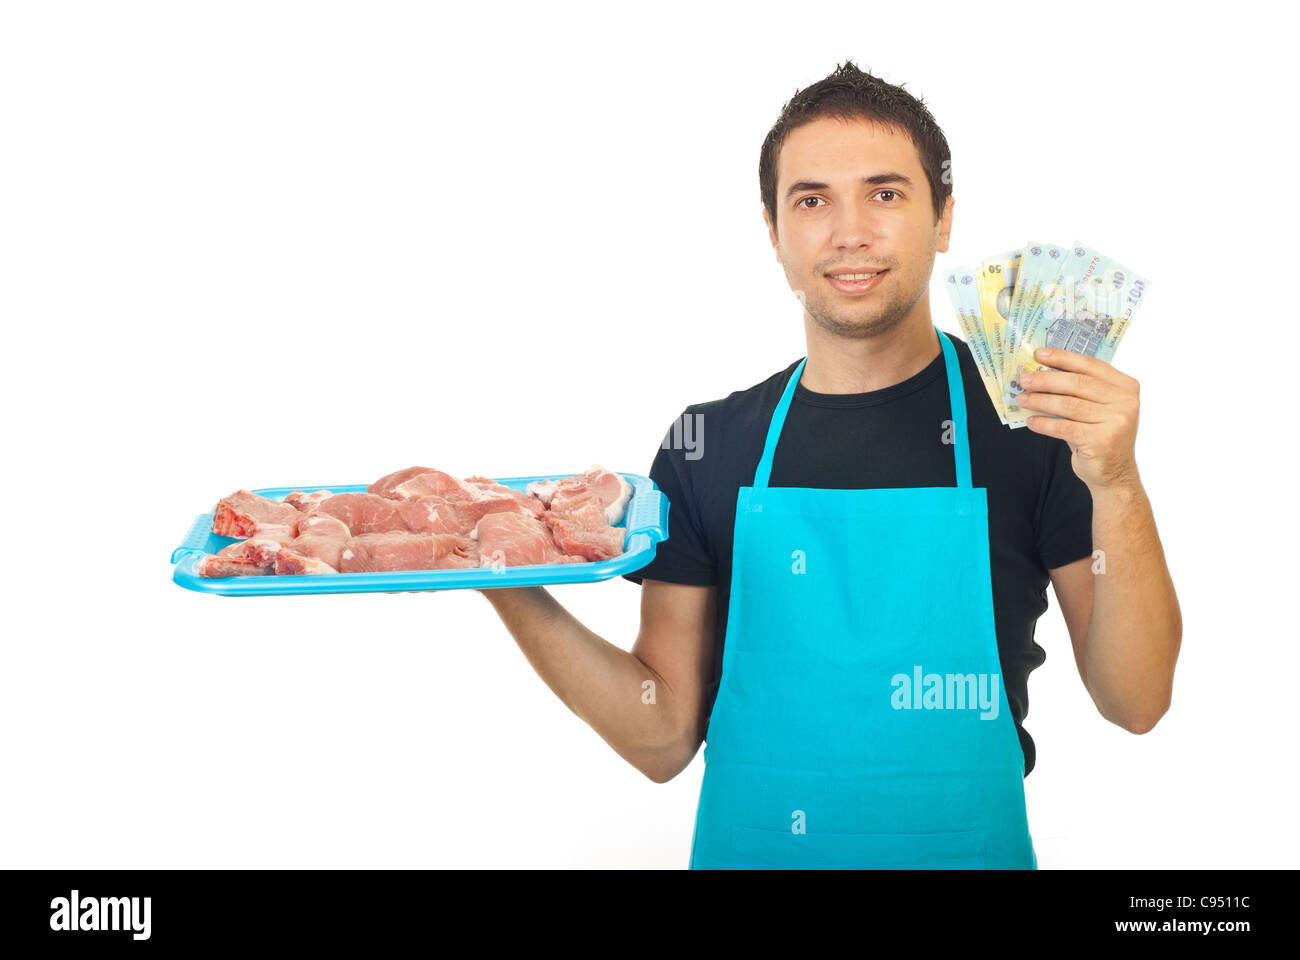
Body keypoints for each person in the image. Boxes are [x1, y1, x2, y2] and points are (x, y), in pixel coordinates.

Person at [480, 60, 1181, 869]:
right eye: (812, 200)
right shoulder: (705, 444)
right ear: (774, 232)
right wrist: (506, 579)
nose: (849, 232)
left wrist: (1118, 482)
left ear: (943, 216)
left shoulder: (1033, 428)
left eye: (885, 194)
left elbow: (1136, 701)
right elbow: (661, 734)